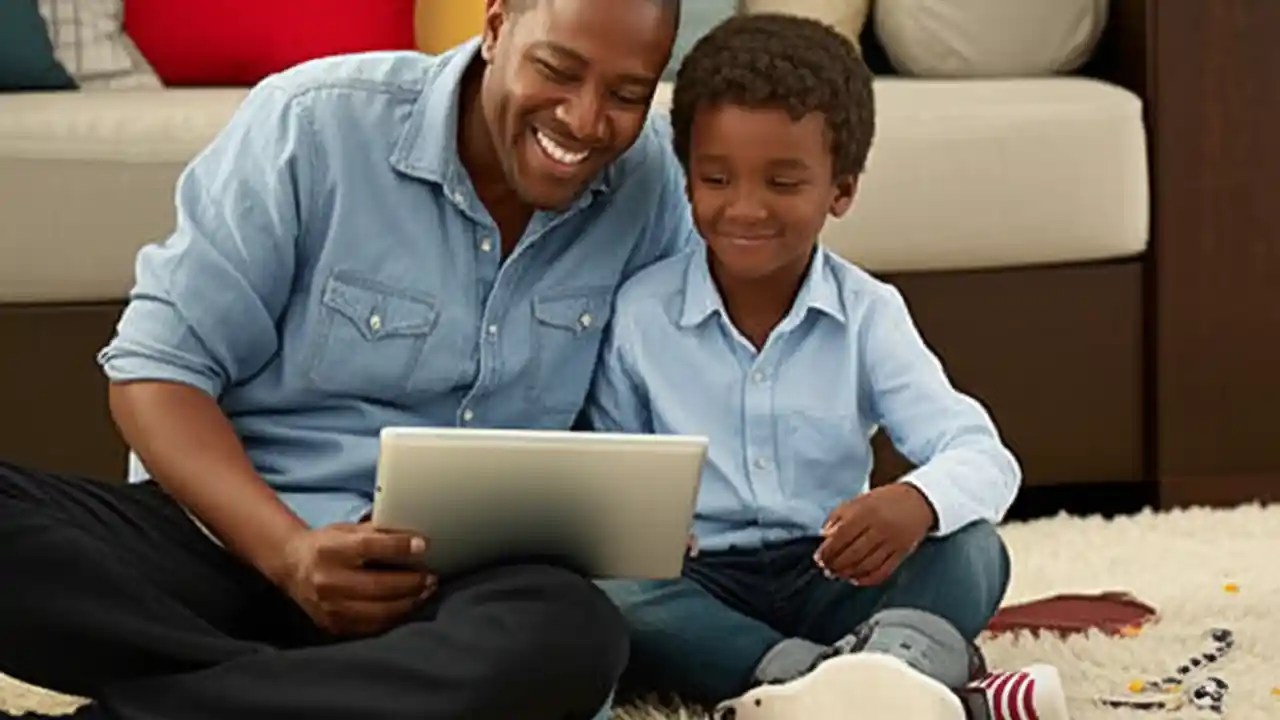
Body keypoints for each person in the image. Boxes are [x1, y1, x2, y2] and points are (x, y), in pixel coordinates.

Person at [0, 1, 695, 719]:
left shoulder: (651, 189)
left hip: (444, 595)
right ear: (493, 29)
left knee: (573, 638)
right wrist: (290, 555)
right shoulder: (312, 123)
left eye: (627, 95)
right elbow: (155, 374)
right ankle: (349, 693)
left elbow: (682, 394)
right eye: (557, 71)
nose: (585, 121)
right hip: (226, 548)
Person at [586, 13, 1067, 719]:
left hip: (835, 574)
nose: (745, 208)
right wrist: (640, 527)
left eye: (783, 182)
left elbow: (981, 454)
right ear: (687, 178)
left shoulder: (868, 313)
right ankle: (853, 683)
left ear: (840, 189)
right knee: (606, 589)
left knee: (972, 553)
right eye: (717, 178)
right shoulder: (639, 316)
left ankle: (823, 689)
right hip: (701, 586)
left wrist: (916, 501)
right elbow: (609, 477)